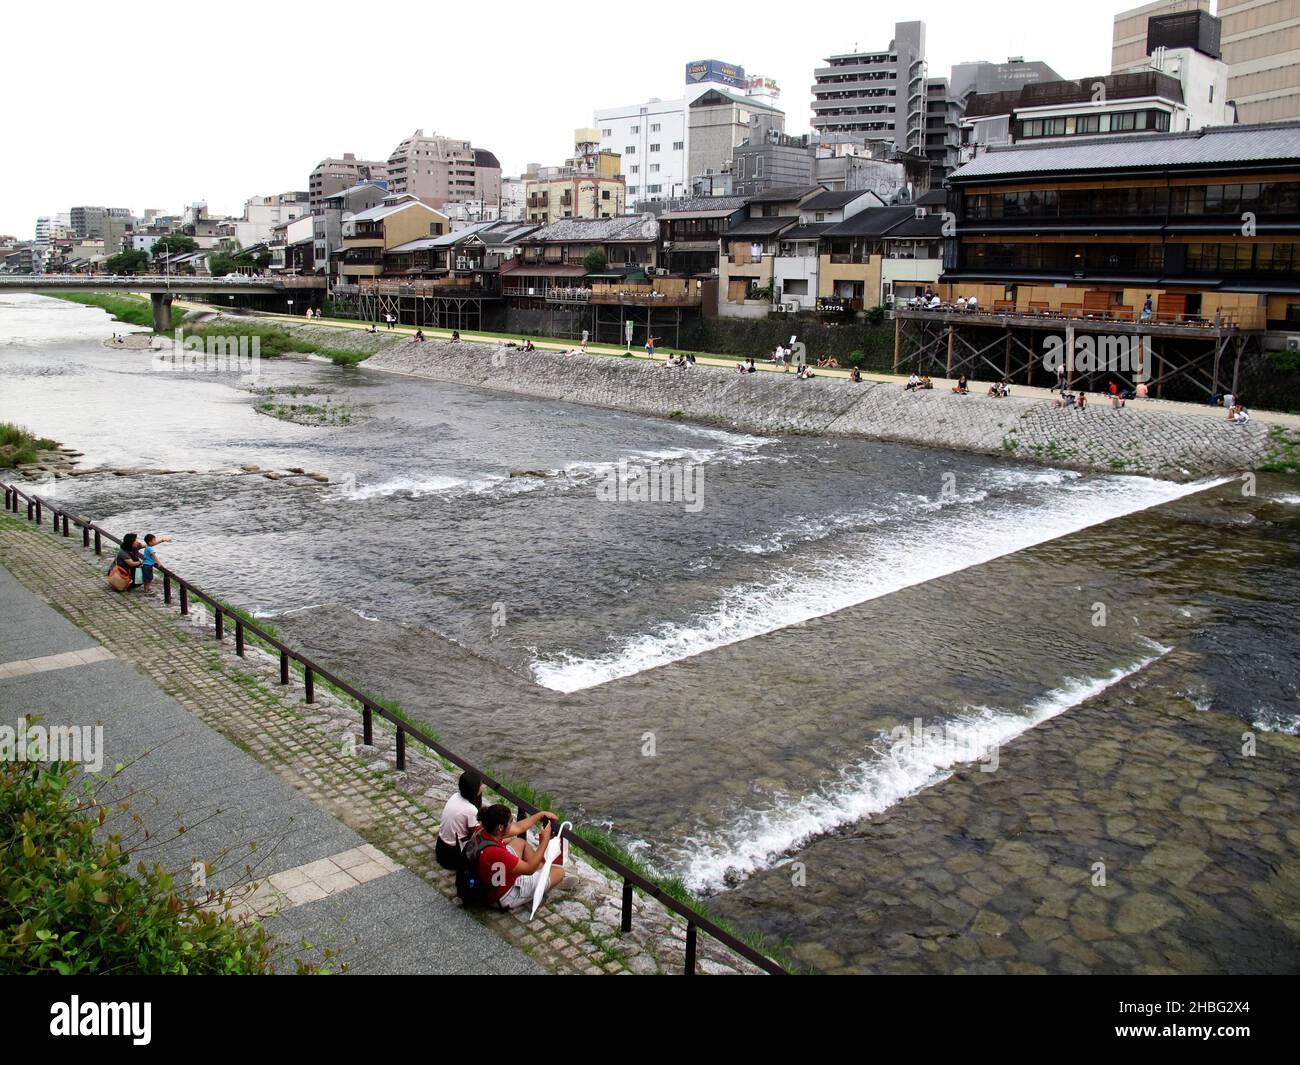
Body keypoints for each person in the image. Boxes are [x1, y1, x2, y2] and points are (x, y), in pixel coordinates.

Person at [473, 804, 565, 910]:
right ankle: (539, 883)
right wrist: (545, 839)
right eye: (510, 821)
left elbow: (518, 827)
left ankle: (543, 872)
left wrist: (540, 815)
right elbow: (530, 869)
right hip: (503, 895)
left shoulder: (484, 830)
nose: (513, 824)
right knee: (559, 872)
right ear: (500, 827)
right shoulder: (497, 853)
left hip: (493, 878)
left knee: (520, 842)